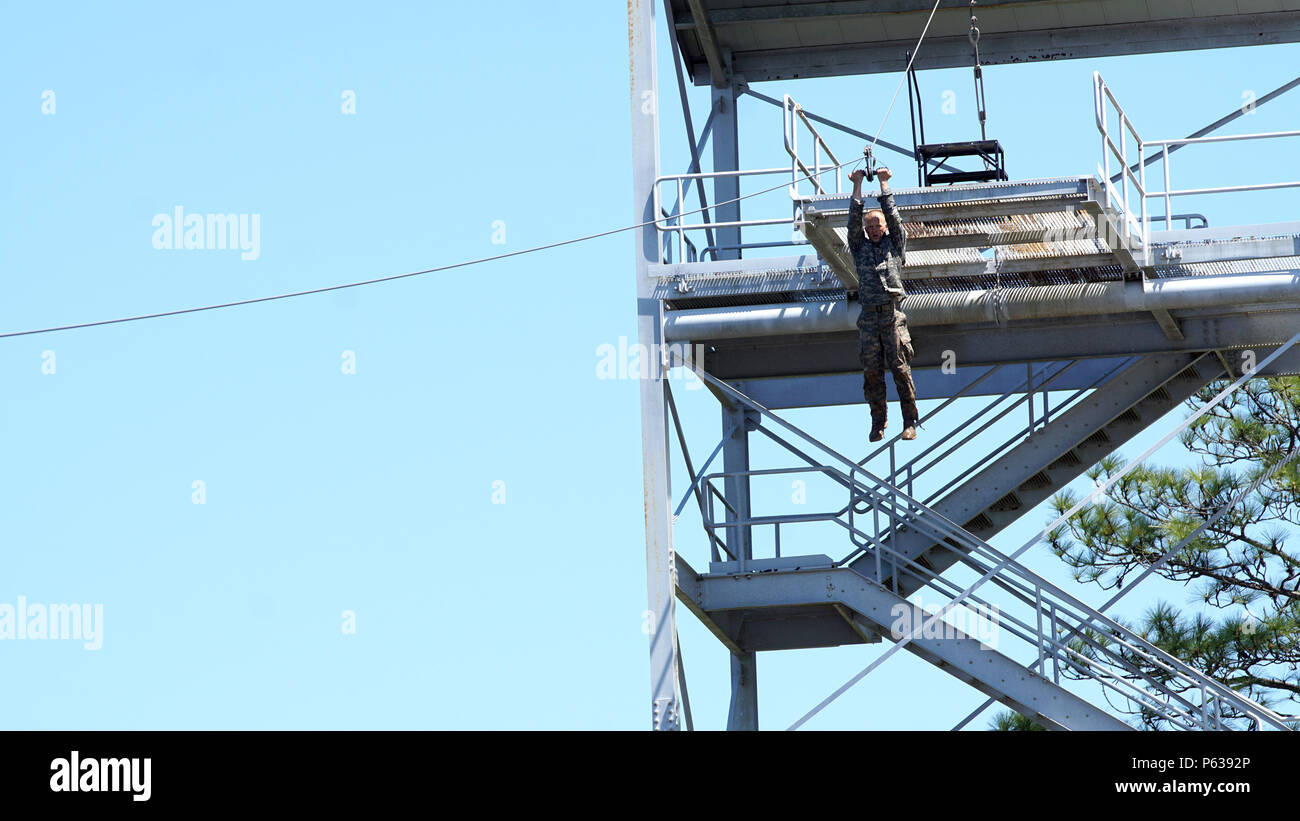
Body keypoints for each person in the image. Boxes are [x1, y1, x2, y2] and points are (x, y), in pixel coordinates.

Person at [847, 165, 919, 442]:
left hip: (890, 317)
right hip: (868, 319)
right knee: (872, 373)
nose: (874, 230)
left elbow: (894, 217)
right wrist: (857, 186)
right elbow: (853, 222)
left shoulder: (895, 244)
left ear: (884, 227)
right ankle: (878, 423)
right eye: (870, 227)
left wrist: (884, 184)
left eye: (877, 226)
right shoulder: (860, 246)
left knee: (900, 370)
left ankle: (910, 422)